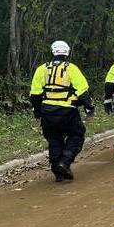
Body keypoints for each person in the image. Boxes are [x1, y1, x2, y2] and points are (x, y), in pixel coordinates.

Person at [29, 41, 95, 182]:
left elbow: (34, 94)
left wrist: (37, 111)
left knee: (54, 140)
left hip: (47, 111)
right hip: (67, 111)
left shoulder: (42, 69)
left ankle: (58, 173)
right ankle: (64, 162)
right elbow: (82, 91)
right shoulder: (71, 68)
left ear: (53, 52)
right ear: (67, 53)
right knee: (77, 135)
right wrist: (89, 106)